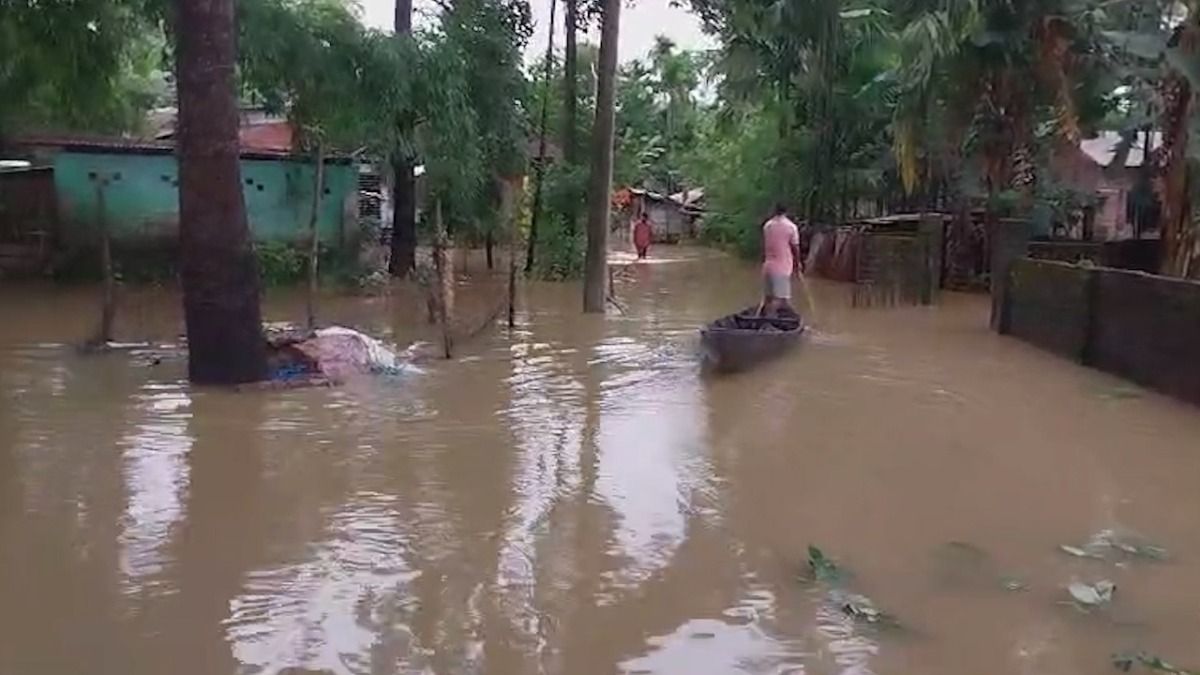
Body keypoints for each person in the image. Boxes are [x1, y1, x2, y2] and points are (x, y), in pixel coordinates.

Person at [761, 202, 801, 315]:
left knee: (768, 298)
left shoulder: (767, 225)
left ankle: (764, 318)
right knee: (780, 299)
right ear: (786, 212)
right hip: (782, 268)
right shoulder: (791, 227)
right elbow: (795, 248)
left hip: (768, 266)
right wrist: (798, 263)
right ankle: (769, 319)